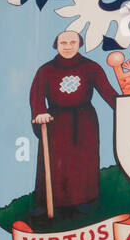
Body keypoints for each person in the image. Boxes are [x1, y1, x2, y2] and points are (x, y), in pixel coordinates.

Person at [29, 30, 118, 214]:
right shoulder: (46, 70)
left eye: (72, 42)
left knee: (84, 160)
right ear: (56, 45)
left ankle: (84, 200)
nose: (68, 46)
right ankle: (46, 202)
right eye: (63, 43)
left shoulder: (91, 67)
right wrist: (40, 112)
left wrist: (125, 108)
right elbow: (36, 95)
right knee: (55, 161)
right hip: (55, 121)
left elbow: (107, 91)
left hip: (85, 120)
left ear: (79, 44)